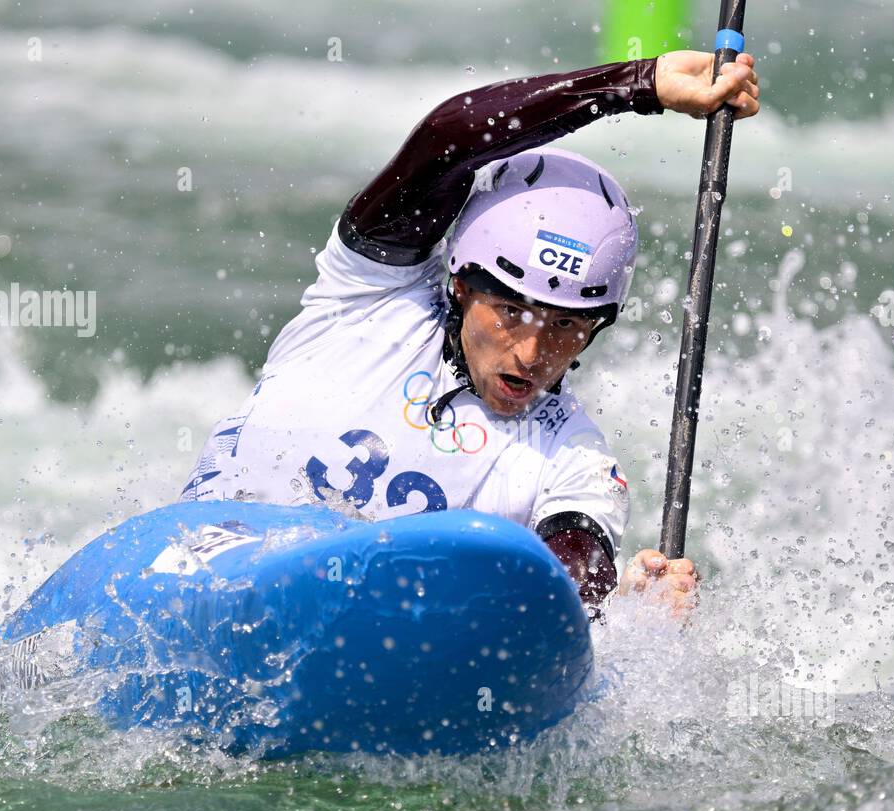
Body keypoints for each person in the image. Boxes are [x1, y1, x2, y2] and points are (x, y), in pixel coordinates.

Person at [182, 49, 760, 621]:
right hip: (193, 581)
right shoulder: (366, 296)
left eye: (566, 325)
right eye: (511, 311)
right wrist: (638, 83)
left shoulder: (573, 458)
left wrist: (631, 622)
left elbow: (569, 585)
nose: (533, 352)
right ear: (461, 284)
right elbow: (444, 141)